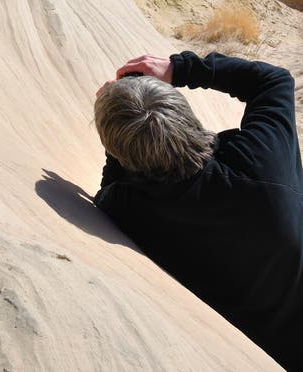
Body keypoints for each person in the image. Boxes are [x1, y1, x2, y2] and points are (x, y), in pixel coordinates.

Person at [92, 51, 303, 371]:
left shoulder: (131, 211)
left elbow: (109, 190)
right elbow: (273, 80)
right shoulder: (259, 160)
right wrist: (179, 70)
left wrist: (118, 127)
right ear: (186, 118)